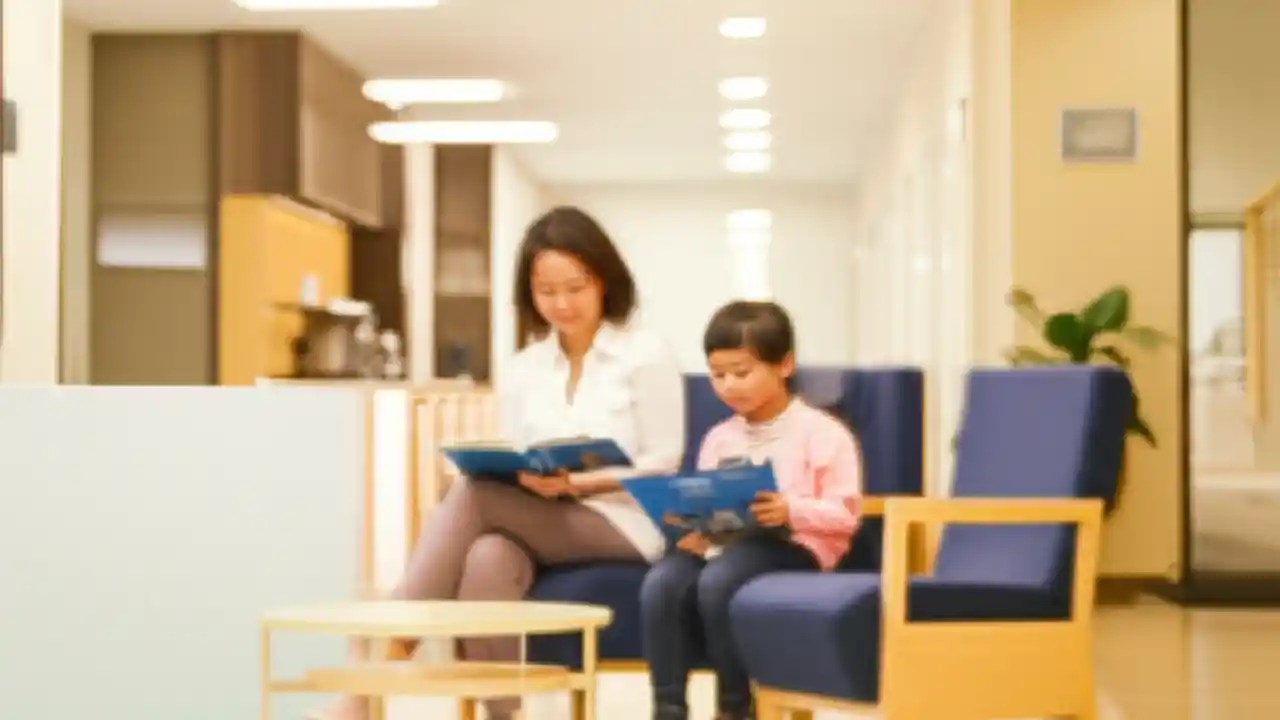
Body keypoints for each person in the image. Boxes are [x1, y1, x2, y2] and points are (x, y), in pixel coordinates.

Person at [312, 206, 685, 720]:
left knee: (476, 498)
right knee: (487, 555)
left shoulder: (645, 354)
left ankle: (374, 675)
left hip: (626, 520)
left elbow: (665, 463)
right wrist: (521, 474)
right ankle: (503, 716)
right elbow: (515, 453)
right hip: (540, 517)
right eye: (546, 291)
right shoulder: (525, 368)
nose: (562, 304)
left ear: (605, 280)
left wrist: (583, 482)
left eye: (575, 288)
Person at [640, 301, 863, 720]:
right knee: (663, 582)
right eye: (718, 374)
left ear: (784, 365)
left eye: (741, 372)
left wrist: (790, 510)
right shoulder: (719, 438)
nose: (728, 385)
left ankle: (735, 708)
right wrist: (693, 527)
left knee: (721, 579)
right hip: (727, 547)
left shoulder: (824, 433)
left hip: (795, 547)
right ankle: (667, 709)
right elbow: (708, 503)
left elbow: (845, 515)